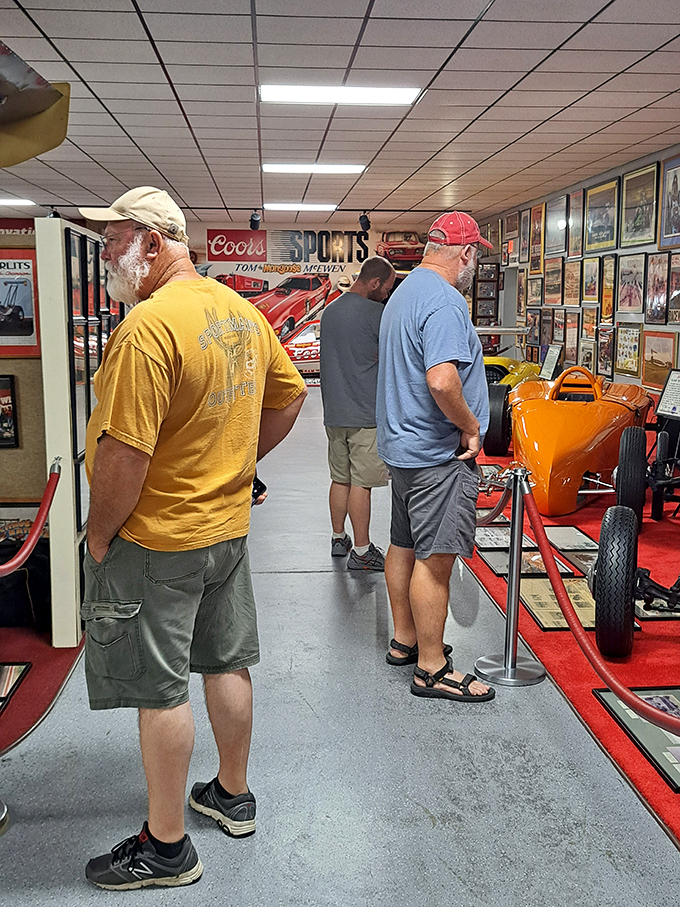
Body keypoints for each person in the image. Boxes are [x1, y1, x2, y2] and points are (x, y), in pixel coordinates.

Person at [77, 187, 307, 889]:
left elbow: (124, 453)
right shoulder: (240, 312)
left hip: (159, 537)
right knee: (227, 661)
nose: (108, 252)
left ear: (153, 242)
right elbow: (290, 392)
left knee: (161, 688)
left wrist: (98, 531)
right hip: (226, 531)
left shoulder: (147, 328)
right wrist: (236, 465)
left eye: (115, 239)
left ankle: (167, 844)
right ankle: (231, 793)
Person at [376, 212, 496, 703]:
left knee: (403, 545)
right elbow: (442, 379)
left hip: (403, 451)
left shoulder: (402, 293)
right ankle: (431, 667)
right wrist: (470, 427)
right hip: (436, 455)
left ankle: (406, 641)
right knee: (436, 560)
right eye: (477, 257)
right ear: (465, 254)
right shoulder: (446, 301)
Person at [320, 256, 395, 571]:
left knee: (340, 479)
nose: (387, 294)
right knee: (361, 484)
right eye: (387, 287)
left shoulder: (330, 311)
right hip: (365, 414)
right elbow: (391, 358)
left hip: (334, 412)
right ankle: (363, 552)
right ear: (375, 282)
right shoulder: (378, 314)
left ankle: (339, 538)